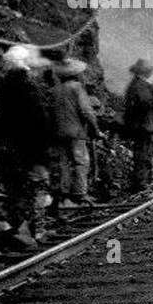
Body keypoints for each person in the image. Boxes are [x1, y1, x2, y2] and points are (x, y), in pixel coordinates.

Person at [0, 46, 53, 246]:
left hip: (9, 148)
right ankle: (39, 230)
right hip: (33, 148)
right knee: (39, 187)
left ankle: (19, 228)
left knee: (16, 190)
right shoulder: (30, 87)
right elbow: (40, 120)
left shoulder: (1, 87)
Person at [50, 58, 100, 207]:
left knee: (63, 163)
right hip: (76, 131)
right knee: (81, 162)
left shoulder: (55, 90)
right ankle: (80, 194)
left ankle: (64, 195)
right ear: (76, 74)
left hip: (58, 132)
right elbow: (86, 111)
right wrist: (96, 130)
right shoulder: (77, 88)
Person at [123, 58, 153, 192]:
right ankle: (141, 183)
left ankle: (144, 180)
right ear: (145, 72)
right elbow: (145, 105)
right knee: (143, 154)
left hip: (138, 125)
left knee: (143, 153)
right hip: (142, 125)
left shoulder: (136, 85)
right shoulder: (141, 86)